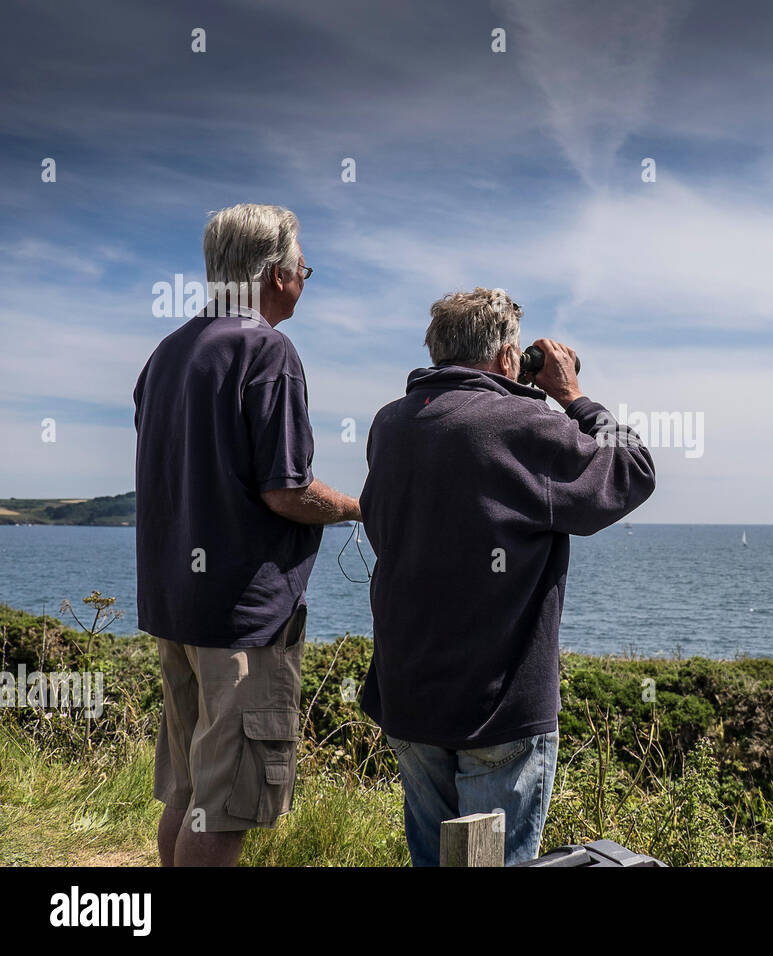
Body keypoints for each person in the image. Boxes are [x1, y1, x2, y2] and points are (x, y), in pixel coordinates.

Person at [359, 287, 655, 865]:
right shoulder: (523, 424)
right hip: (499, 707)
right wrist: (573, 396)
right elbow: (631, 468)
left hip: (410, 696)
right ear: (504, 357)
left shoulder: (388, 424)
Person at [134, 203, 361, 866]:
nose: (303, 280)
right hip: (242, 619)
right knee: (226, 807)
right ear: (274, 274)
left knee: (188, 794)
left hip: (175, 606)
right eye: (302, 267)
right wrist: (356, 506)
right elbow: (287, 491)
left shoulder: (167, 353)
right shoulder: (268, 350)